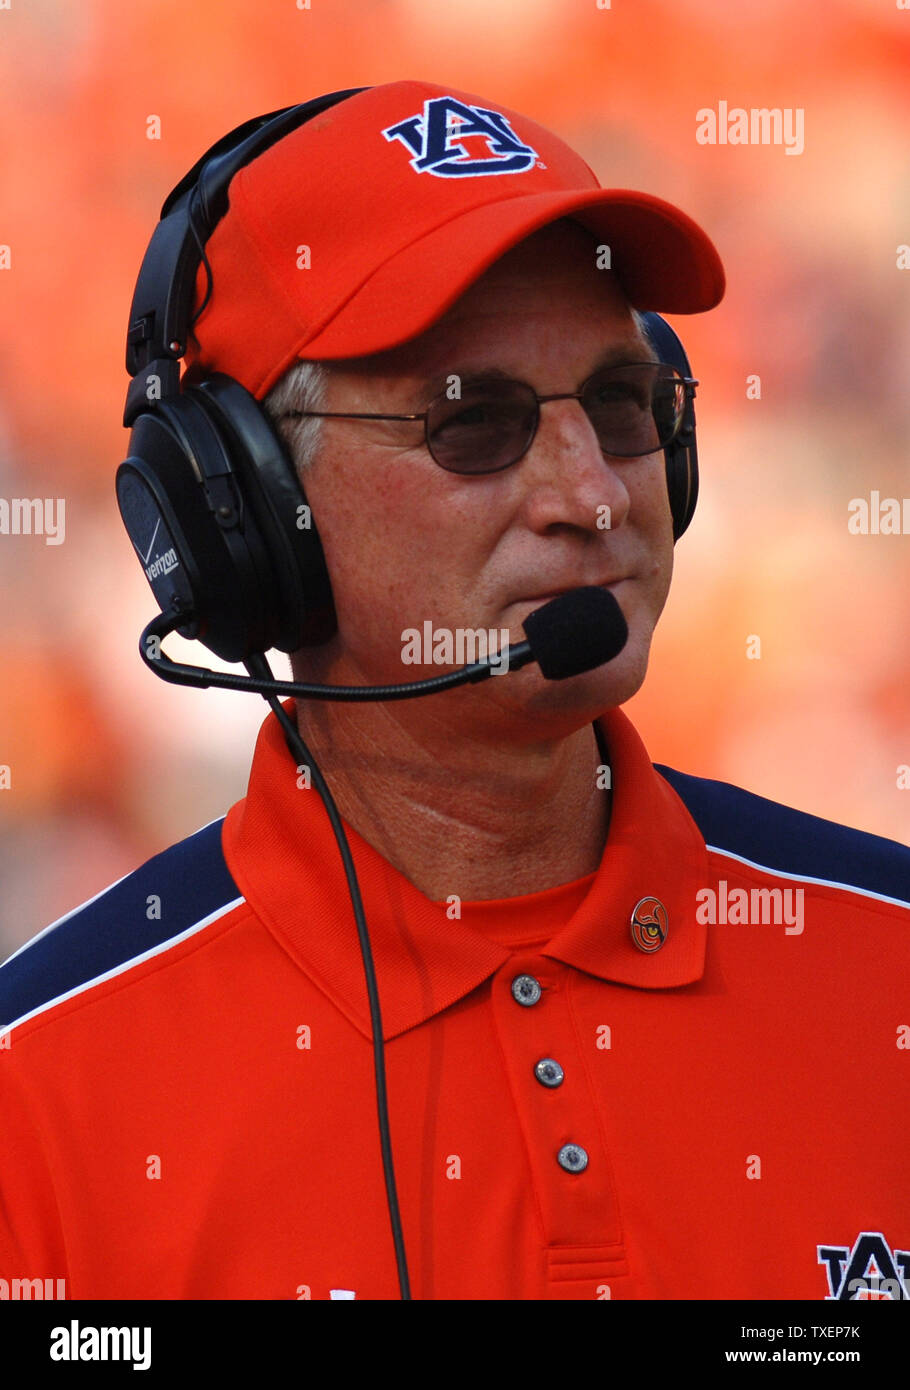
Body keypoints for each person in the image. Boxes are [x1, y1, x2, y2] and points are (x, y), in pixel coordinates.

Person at [1, 80, 908, 1304]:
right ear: (247, 509)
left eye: (619, 403)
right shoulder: (39, 1090)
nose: (590, 492)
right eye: (470, 422)